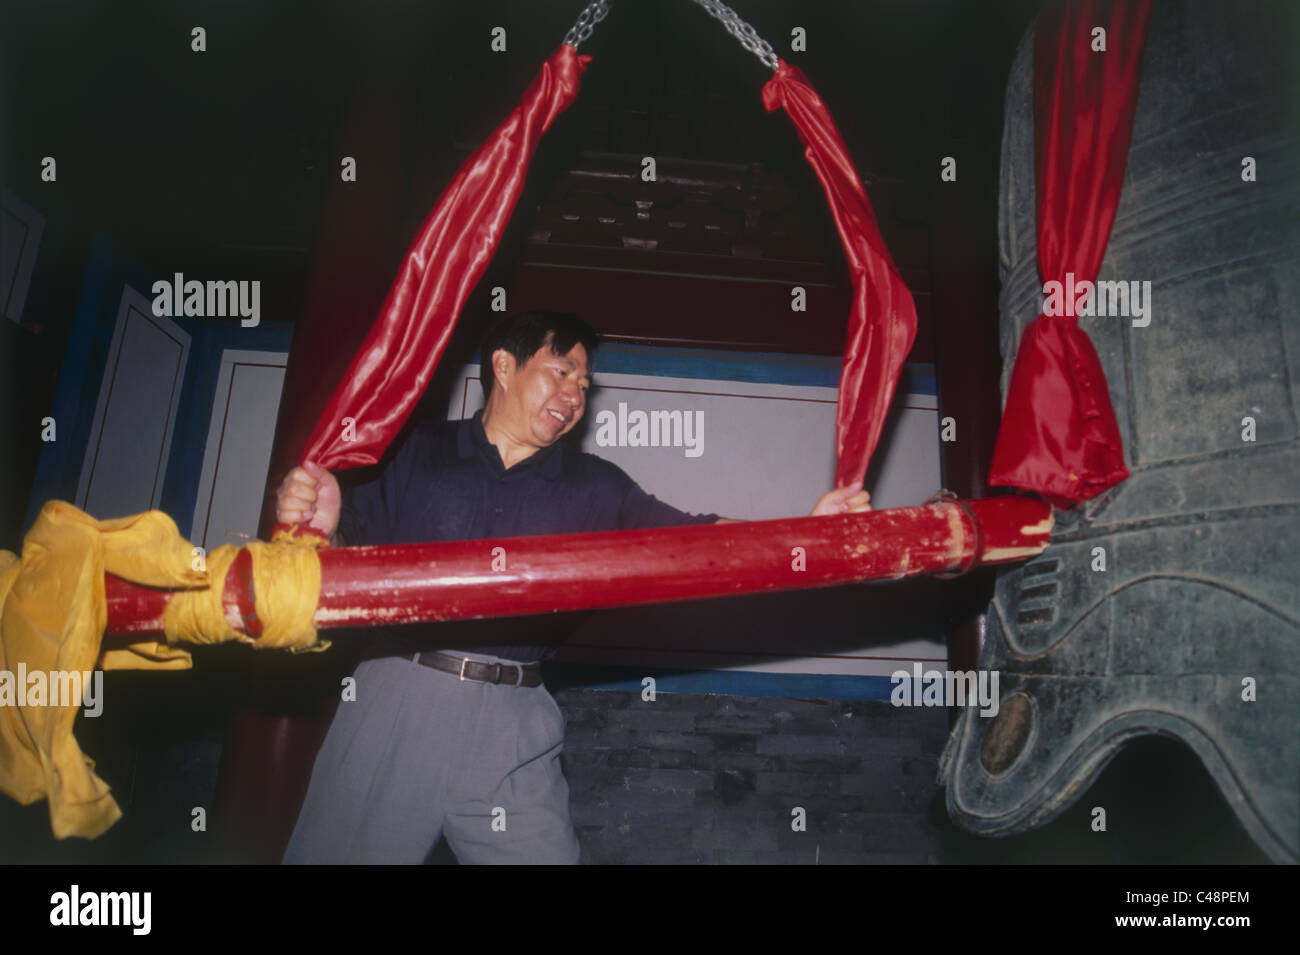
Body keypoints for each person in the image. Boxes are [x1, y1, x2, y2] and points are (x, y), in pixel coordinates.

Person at [278, 310, 871, 864]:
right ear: (504, 367)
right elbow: (328, 575)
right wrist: (317, 532)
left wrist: (809, 534)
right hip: (400, 697)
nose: (574, 396)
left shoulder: (597, 486)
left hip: (517, 721)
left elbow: (696, 540)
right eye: (561, 372)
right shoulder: (412, 452)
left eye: (584, 386)